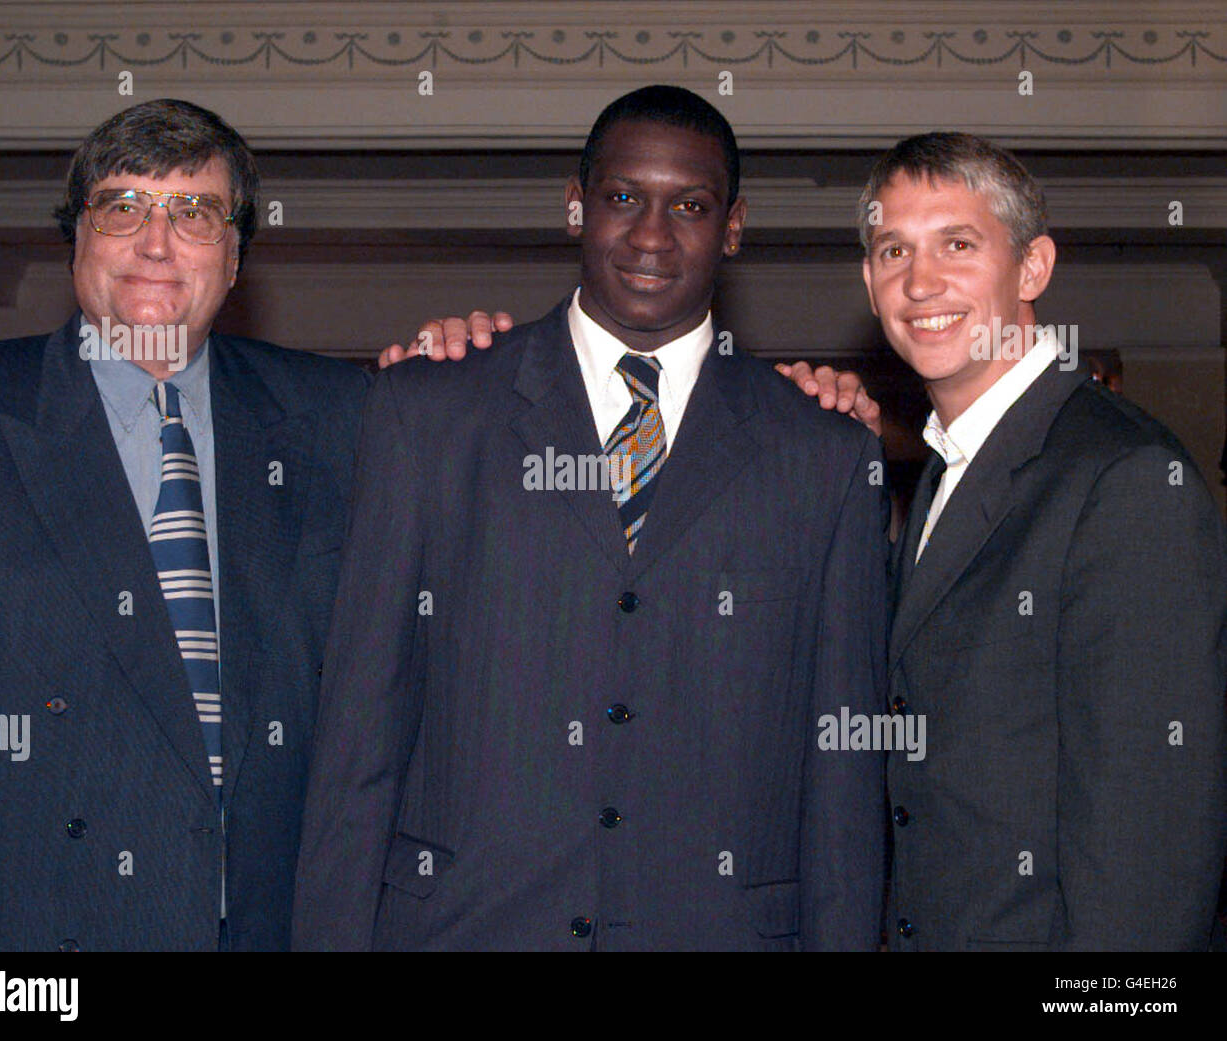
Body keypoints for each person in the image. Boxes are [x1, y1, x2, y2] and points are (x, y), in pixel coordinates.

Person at [291, 85, 890, 951]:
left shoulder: (823, 452)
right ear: (575, 207)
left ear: (734, 227)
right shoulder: (429, 409)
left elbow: (842, 779)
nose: (652, 235)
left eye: (690, 205)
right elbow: (359, 736)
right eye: (621, 198)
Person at [0, 98, 376, 951]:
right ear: (76, 240)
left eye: (195, 213)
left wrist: (470, 362)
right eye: (122, 208)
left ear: (237, 255)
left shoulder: (340, 419)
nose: (156, 243)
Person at [867, 132, 1227, 950]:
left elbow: (1151, 850)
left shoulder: (1124, 478)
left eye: (957, 244)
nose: (920, 282)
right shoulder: (945, 470)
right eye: (894, 250)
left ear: (1032, 269)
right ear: (869, 279)